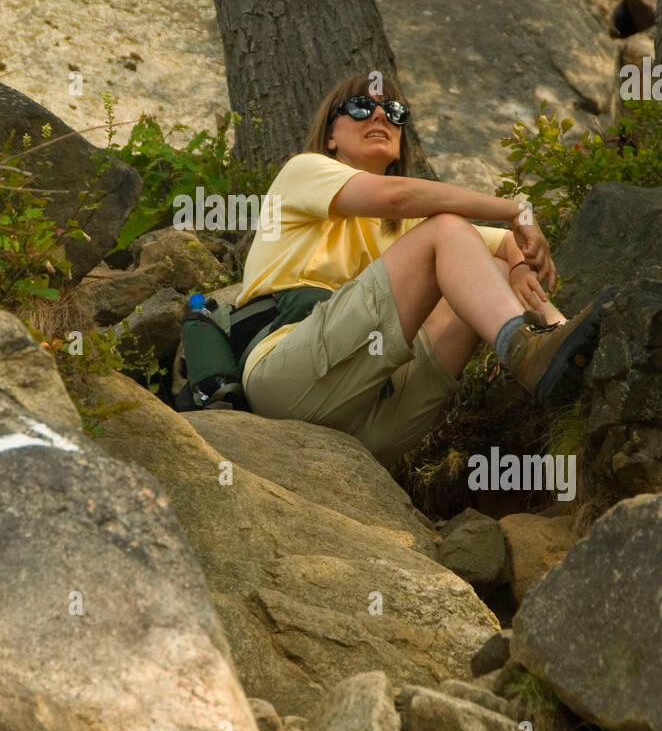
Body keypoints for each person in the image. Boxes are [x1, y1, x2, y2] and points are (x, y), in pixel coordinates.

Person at [237, 71, 614, 473]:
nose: (380, 117)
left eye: (394, 112)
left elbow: (505, 245)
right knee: (448, 229)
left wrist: (520, 264)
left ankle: (577, 364)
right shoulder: (303, 171)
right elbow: (398, 197)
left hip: (373, 424)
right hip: (287, 376)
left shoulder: (403, 231)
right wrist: (515, 209)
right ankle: (529, 351)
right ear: (331, 135)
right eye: (362, 107)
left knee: (497, 266)